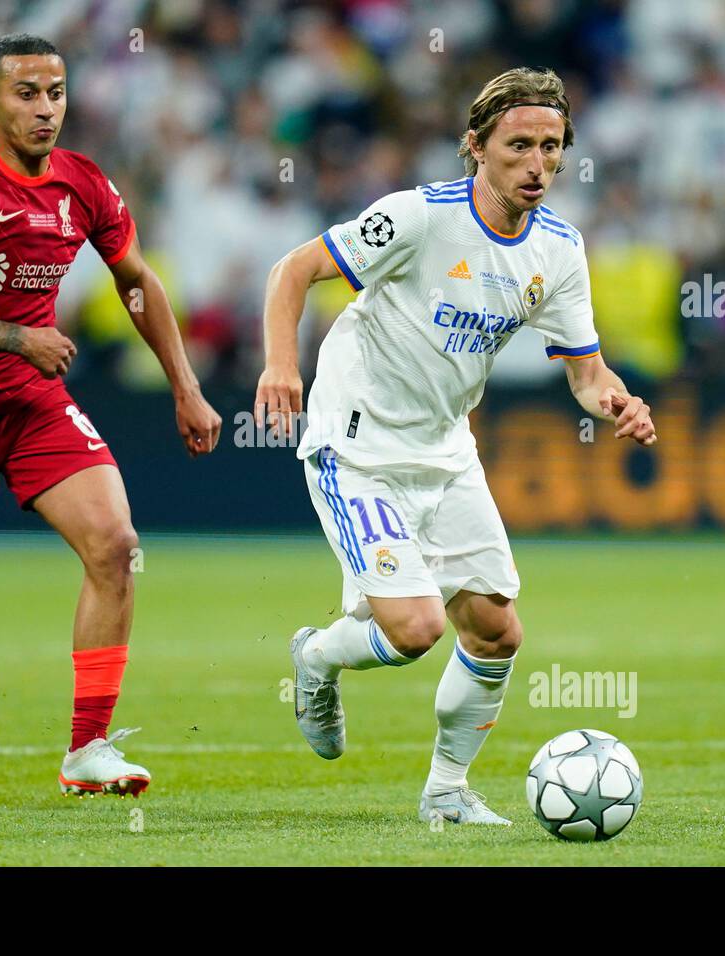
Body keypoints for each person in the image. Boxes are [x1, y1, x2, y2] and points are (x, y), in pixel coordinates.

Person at [255, 67, 656, 823]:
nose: (537, 164)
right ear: (475, 146)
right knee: (414, 630)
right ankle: (315, 656)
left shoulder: (559, 252)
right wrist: (281, 363)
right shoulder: (418, 217)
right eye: (518, 146)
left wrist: (617, 403)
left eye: (551, 146)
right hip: (358, 445)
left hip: (445, 448)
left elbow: (587, 372)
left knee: (497, 627)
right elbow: (294, 269)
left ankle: (446, 793)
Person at [0, 33, 222, 799]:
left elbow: (136, 281)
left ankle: (87, 749)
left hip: (30, 403)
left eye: (55, 92)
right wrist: (16, 337)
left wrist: (184, 386)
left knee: (116, 544)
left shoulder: (83, 183)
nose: (45, 108)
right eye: (26, 93)